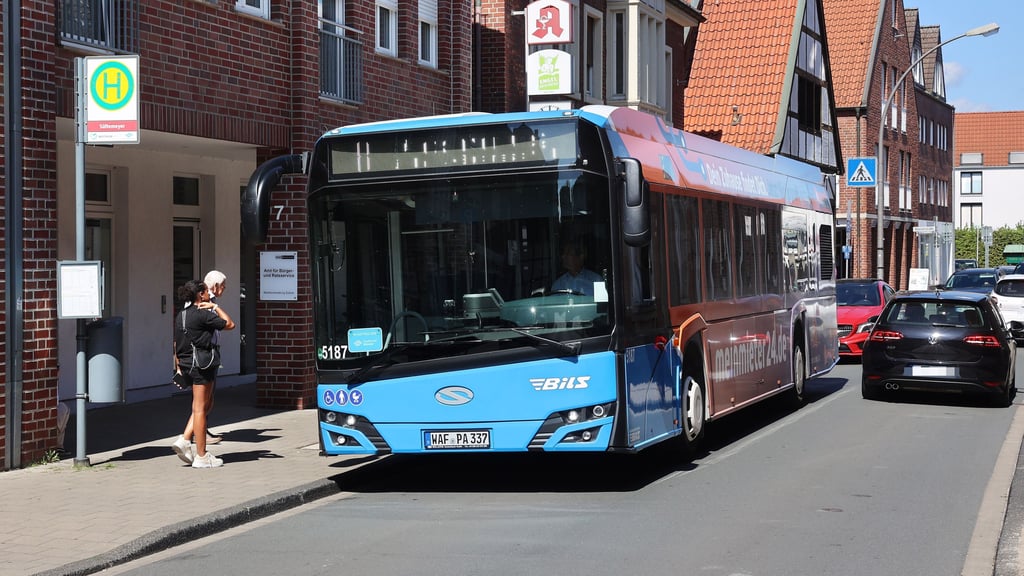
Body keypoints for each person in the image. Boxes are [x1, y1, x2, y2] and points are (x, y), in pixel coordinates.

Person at [171, 279, 235, 468]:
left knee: (203, 405)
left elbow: (176, 342)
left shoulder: (181, 315)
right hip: (202, 365)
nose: (209, 295)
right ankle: (201, 455)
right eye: (207, 292)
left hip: (186, 364)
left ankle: (186, 441)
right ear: (201, 295)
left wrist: (177, 367)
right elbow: (230, 324)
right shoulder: (203, 315)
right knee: (200, 409)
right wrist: (214, 307)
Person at [200, 270, 227, 445]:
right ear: (216, 286)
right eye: (223, 286)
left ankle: (201, 430)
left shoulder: (211, 300)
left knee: (208, 397)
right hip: (205, 352)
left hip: (211, 351)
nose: (224, 289)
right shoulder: (205, 300)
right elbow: (227, 324)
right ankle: (198, 433)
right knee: (204, 397)